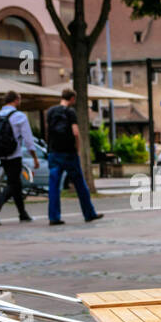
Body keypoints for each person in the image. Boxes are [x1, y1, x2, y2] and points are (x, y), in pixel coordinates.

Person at [45, 88, 102, 226]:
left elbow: (48, 131)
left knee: (54, 186)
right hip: (69, 153)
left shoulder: (50, 111)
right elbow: (75, 132)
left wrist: (50, 147)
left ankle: (54, 217)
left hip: (54, 152)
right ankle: (89, 213)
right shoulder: (70, 112)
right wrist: (77, 149)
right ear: (72, 99)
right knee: (80, 184)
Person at [0, 90, 37, 225]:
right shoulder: (19, 116)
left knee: (16, 184)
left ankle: (22, 214)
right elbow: (28, 140)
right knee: (13, 184)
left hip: (2, 155)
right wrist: (35, 157)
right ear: (16, 100)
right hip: (14, 154)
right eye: (19, 100)